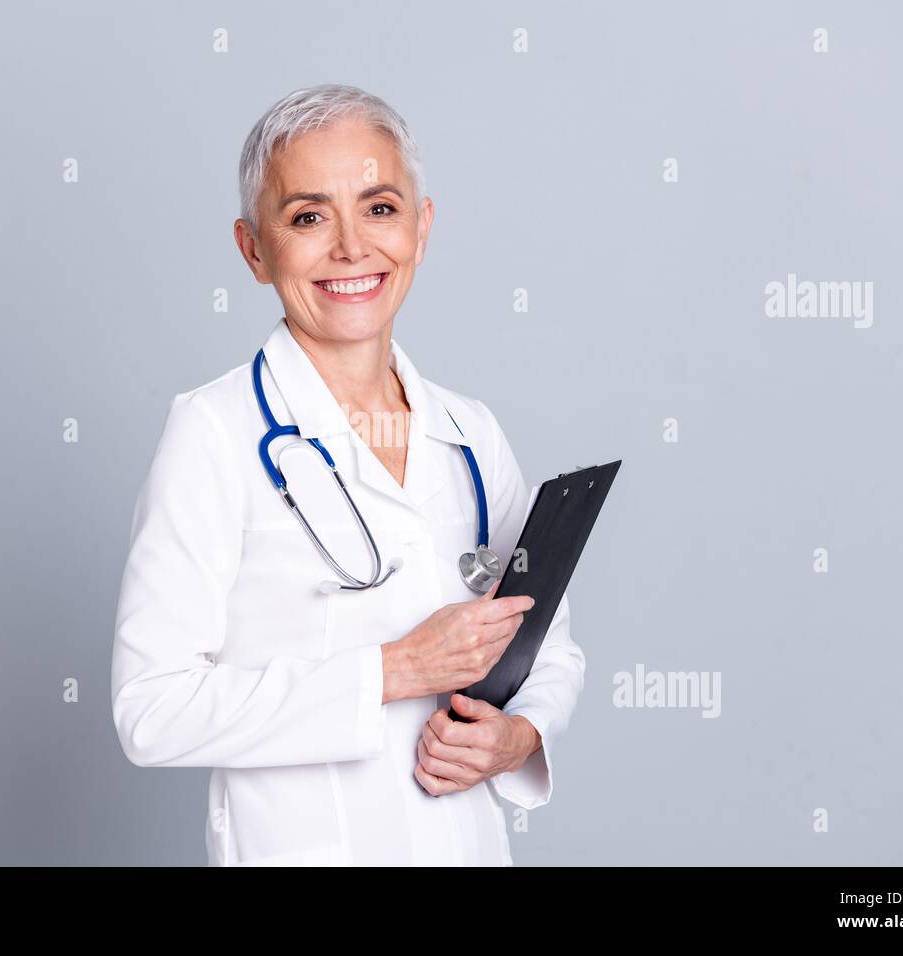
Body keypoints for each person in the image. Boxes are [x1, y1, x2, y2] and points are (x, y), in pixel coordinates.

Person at [110, 83, 585, 866]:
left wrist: (518, 735)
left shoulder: (470, 433)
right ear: (254, 250)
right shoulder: (214, 432)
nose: (351, 248)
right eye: (306, 217)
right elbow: (150, 710)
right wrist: (391, 672)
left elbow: (551, 645)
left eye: (380, 208)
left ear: (422, 228)